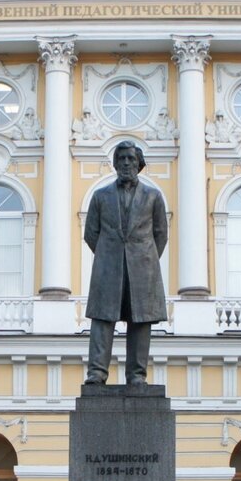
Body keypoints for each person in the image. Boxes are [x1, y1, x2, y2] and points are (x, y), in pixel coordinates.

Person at [83, 141, 169, 387]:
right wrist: (108, 256)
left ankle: (136, 375)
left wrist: (145, 258)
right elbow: (91, 234)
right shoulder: (100, 196)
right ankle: (97, 372)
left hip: (143, 268)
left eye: (131, 159)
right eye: (121, 159)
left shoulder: (153, 197)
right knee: (102, 319)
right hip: (108, 267)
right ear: (115, 163)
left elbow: (160, 234)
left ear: (139, 163)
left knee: (140, 321)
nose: (126, 163)